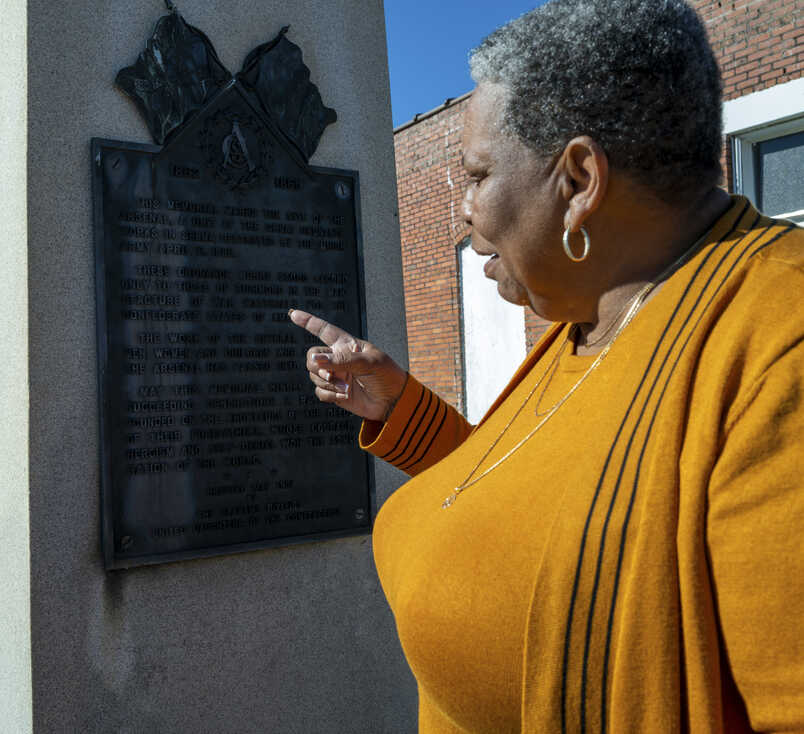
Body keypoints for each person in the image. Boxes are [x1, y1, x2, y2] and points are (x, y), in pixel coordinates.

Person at [290, 0, 804, 731]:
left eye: (474, 175)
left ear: (579, 181)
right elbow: (548, 511)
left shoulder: (779, 347)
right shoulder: (590, 317)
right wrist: (404, 413)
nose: (463, 210)